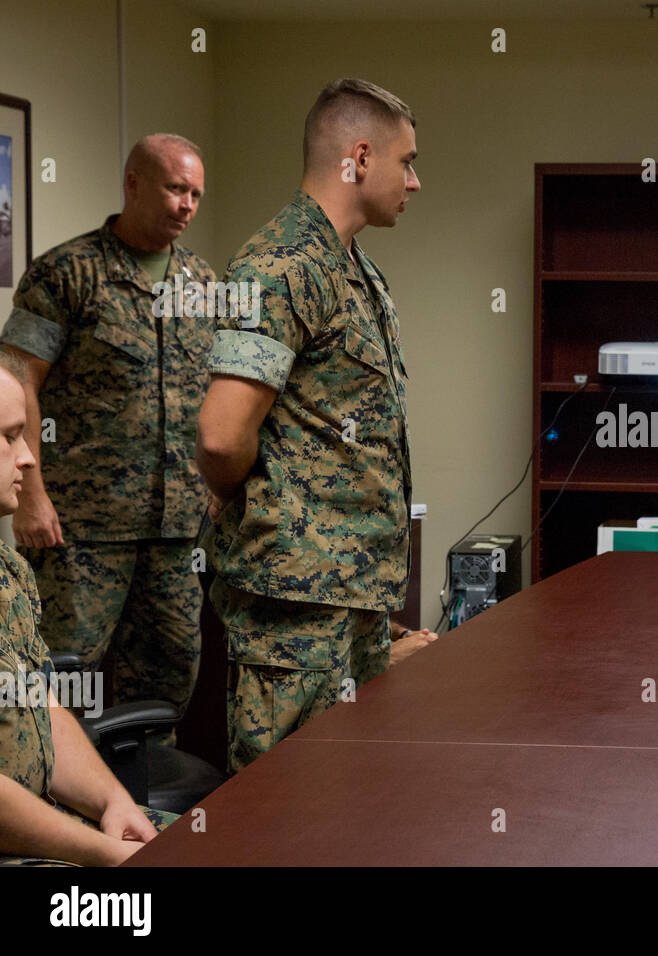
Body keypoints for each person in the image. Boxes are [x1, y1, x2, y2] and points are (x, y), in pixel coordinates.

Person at [197, 78, 433, 773]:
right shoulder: (281, 266)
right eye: (407, 161)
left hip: (348, 594)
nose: (414, 182)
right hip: (293, 603)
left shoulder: (355, 271)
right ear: (358, 158)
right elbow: (220, 435)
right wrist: (266, 508)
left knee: (346, 801)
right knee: (284, 802)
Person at [0, 134, 215, 721]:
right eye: (175, 188)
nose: (187, 205)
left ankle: (143, 800)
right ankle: (57, 804)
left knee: (171, 668)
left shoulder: (203, 284)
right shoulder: (67, 273)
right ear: (133, 184)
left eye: (195, 193)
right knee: (65, 672)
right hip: (80, 530)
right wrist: (31, 498)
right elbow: (17, 384)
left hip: (175, 529)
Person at [0, 350, 171, 866]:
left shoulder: (8, 571)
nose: (29, 457)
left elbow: (40, 709)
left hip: (43, 821)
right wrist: (102, 854)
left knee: (225, 847)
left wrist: (113, 802)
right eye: (9, 437)